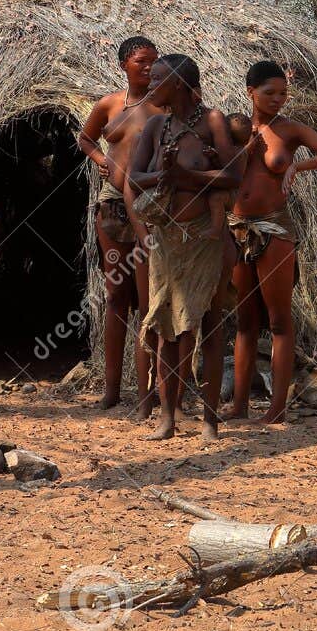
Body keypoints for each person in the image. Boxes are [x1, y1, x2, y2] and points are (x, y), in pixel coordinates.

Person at [128, 54, 241, 442]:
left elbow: (233, 175)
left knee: (209, 325)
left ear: (178, 84)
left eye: (157, 79)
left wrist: (187, 176)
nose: (149, 84)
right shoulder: (156, 125)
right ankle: (167, 419)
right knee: (164, 328)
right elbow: (135, 178)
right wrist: (167, 175)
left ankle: (209, 420)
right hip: (166, 240)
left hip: (204, 239)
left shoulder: (212, 122)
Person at [226, 61, 317, 427]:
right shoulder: (232, 128)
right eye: (270, 93)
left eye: (283, 93)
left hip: (275, 229)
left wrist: (299, 167)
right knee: (244, 321)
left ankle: (277, 407)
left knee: (280, 321)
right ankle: (238, 405)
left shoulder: (291, 130)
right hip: (236, 228)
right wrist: (240, 151)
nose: (278, 100)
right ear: (251, 91)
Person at [76, 35, 163, 413]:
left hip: (150, 206)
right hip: (113, 205)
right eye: (141, 61)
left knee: (148, 300)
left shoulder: (164, 104)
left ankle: (149, 392)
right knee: (115, 296)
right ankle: (112, 390)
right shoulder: (109, 104)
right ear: (124, 63)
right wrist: (101, 159)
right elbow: (84, 137)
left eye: (153, 62)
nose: (148, 68)